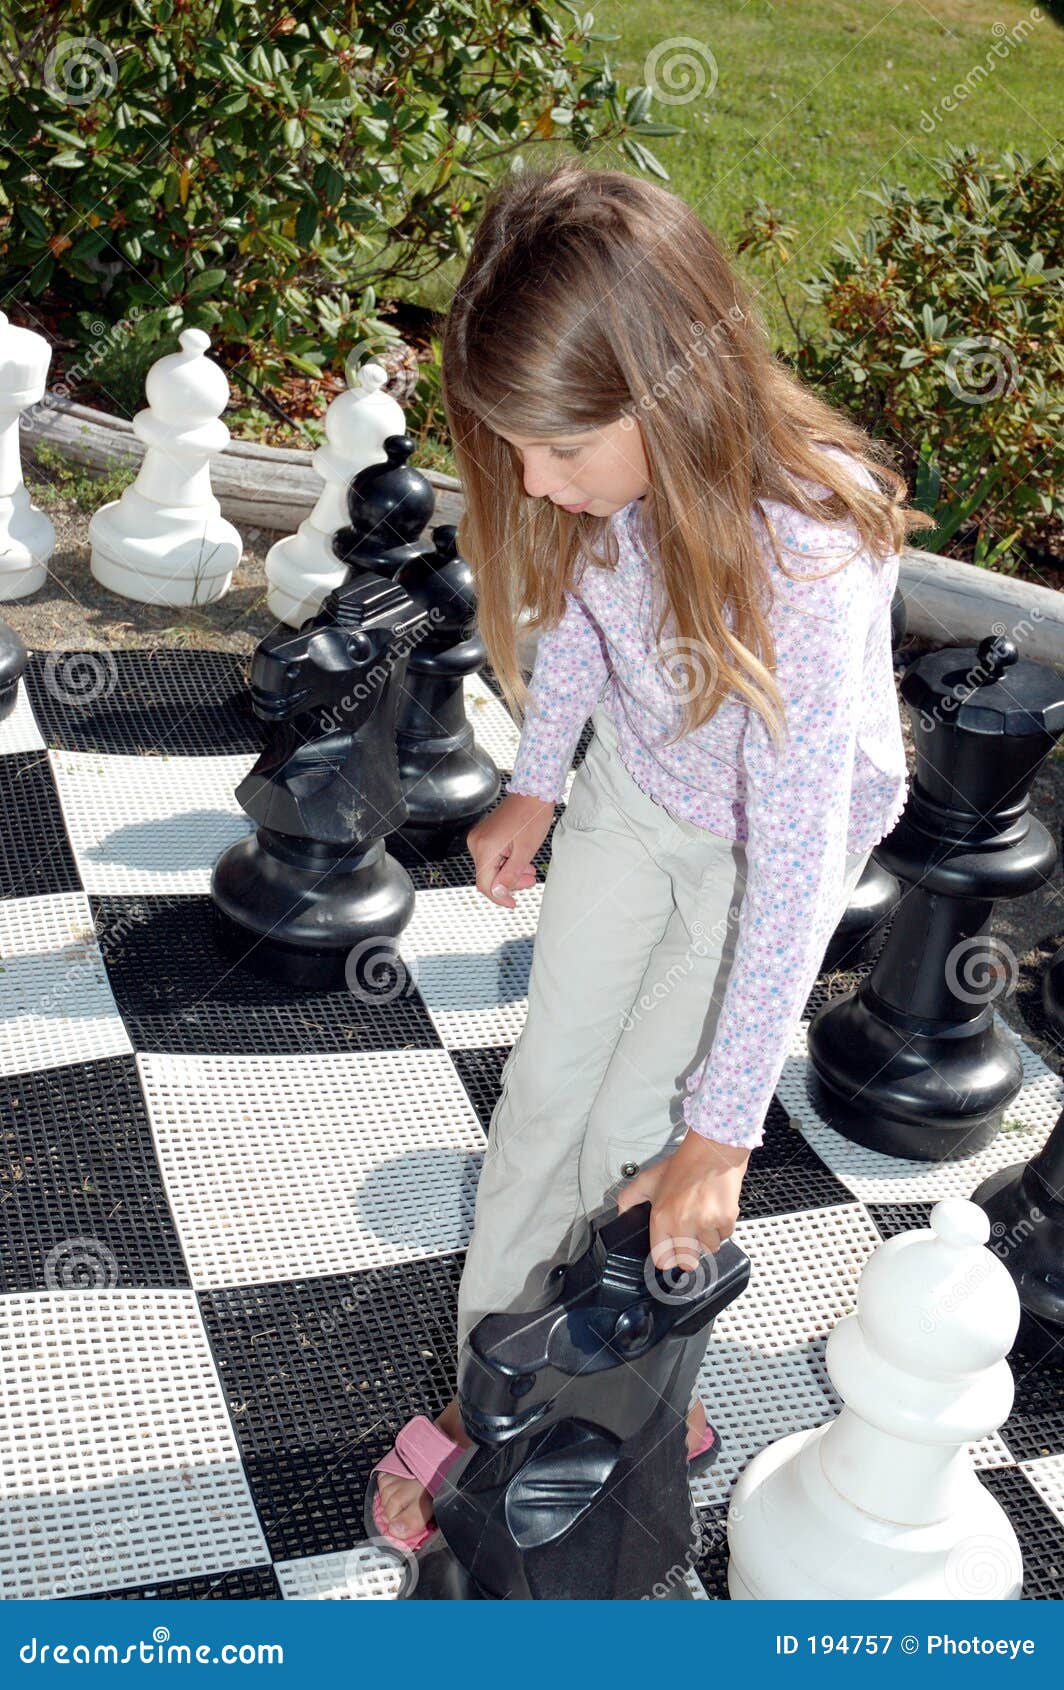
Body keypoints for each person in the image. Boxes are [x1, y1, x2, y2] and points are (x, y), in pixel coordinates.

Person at [365, 161, 933, 1552]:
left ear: (669, 390)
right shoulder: (599, 483)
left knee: (647, 1149)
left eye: (557, 450)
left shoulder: (807, 552)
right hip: (635, 801)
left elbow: (798, 870)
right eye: (515, 449)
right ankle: (492, 1398)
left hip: (757, 864)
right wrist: (539, 786)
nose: (533, 483)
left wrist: (725, 1126)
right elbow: (580, 627)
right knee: (544, 1105)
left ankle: (627, 1390)